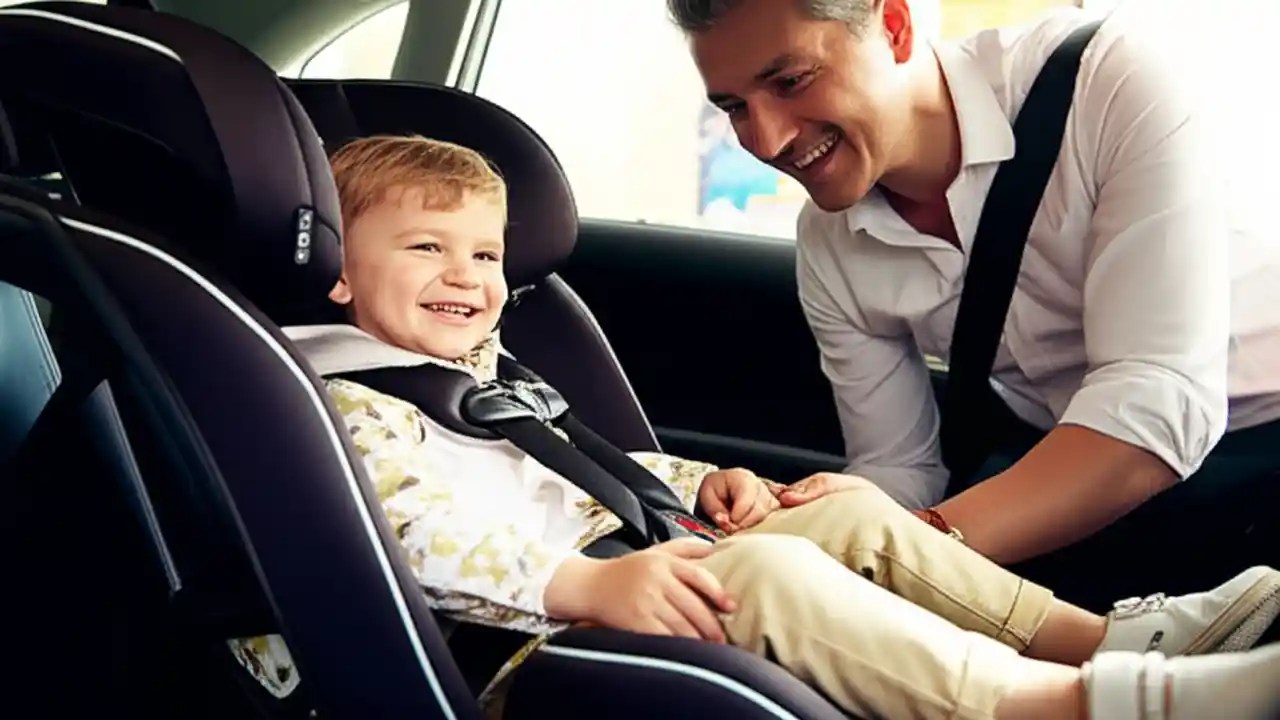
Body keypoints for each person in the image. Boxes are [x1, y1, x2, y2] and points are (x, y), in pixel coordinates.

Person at [233, 133, 1280, 720]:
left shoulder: (475, 373)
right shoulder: (336, 400)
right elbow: (400, 542)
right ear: (331, 271)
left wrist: (694, 485)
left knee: (846, 515)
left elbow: (576, 473)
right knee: (770, 578)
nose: (465, 276)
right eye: (424, 248)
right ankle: (1080, 710)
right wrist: (587, 583)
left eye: (484, 256)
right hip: (509, 647)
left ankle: (1107, 643)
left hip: (615, 572)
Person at [665, 0, 1280, 609]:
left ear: (895, 26)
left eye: (791, 81)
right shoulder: (830, 242)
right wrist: (804, 522)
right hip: (1076, 478)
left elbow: (1159, 394)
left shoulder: (1108, 80)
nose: (766, 140)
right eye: (735, 107)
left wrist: (913, 542)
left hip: (1261, 449)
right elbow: (900, 465)